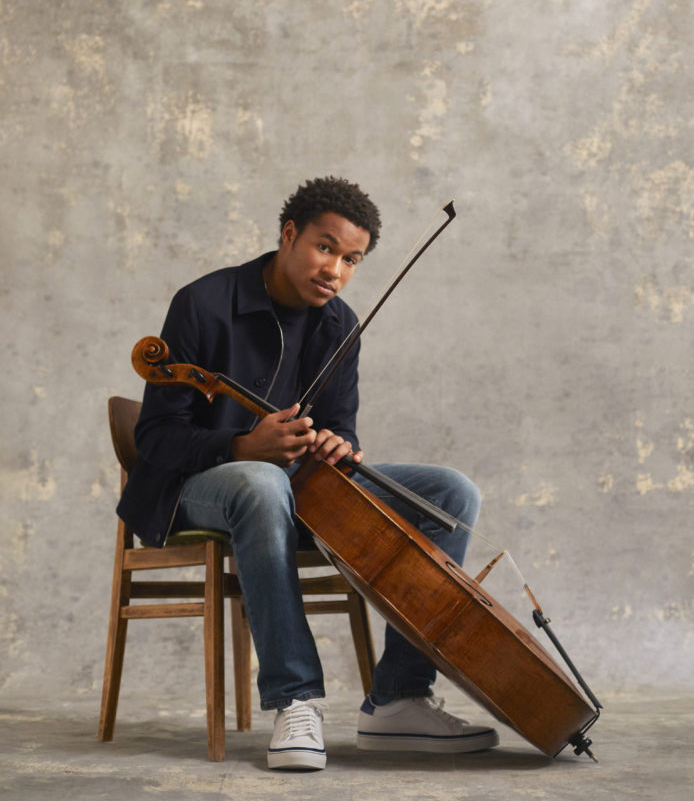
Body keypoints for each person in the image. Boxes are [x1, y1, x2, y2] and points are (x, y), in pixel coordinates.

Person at [117, 175, 498, 771]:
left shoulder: (339, 324)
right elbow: (157, 439)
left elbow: (342, 426)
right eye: (326, 248)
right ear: (289, 235)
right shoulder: (204, 302)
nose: (336, 271)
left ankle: (398, 698)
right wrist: (243, 444)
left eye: (352, 260)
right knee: (262, 480)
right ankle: (294, 699)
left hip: (291, 487)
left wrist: (336, 446)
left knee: (449, 491)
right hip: (196, 490)